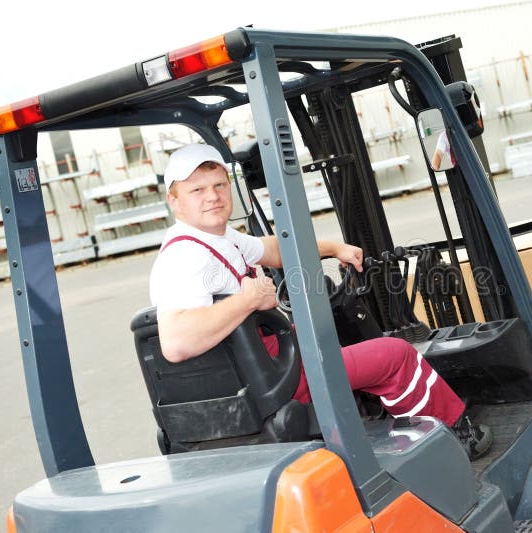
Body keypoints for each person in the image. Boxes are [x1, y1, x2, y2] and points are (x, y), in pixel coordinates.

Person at [149, 143, 492, 459]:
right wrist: (247, 300)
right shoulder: (186, 257)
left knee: (331, 334)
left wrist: (334, 248)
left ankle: (388, 423)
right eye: (197, 190)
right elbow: (176, 343)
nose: (213, 196)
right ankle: (460, 436)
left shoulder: (218, 237)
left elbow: (273, 249)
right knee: (396, 356)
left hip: (266, 367)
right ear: (175, 200)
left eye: (219, 185)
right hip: (274, 379)